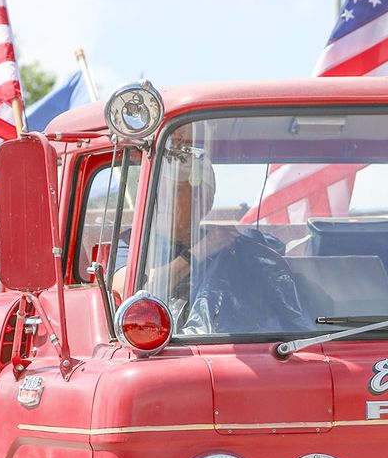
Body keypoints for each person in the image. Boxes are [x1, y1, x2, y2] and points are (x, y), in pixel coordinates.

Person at [117, 139, 307, 336]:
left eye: (176, 190)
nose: (161, 198)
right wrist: (200, 251)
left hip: (237, 348)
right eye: (158, 190)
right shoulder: (132, 243)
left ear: (202, 200)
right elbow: (127, 292)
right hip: (164, 349)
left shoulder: (237, 246)